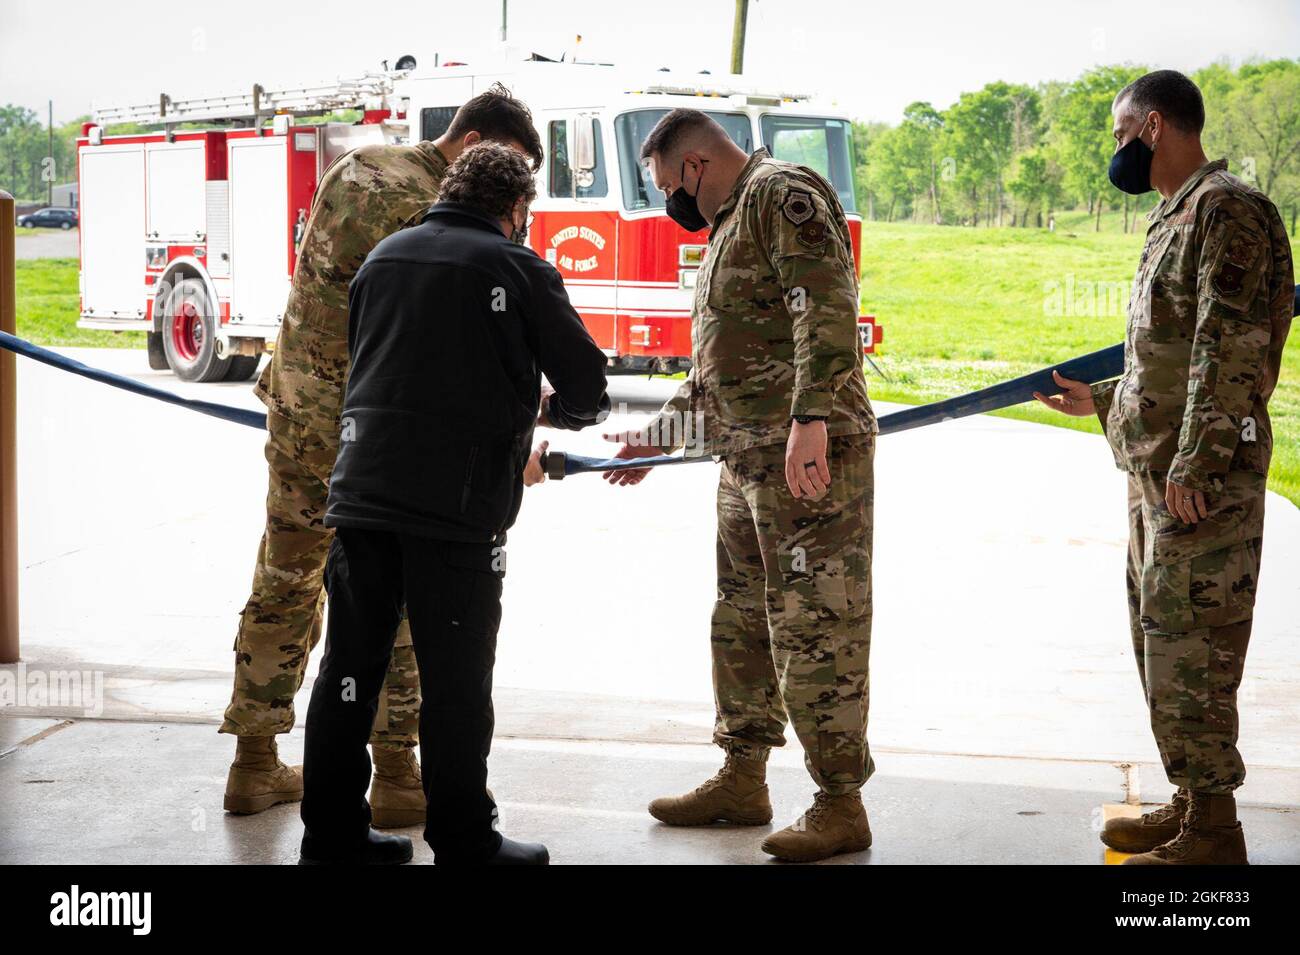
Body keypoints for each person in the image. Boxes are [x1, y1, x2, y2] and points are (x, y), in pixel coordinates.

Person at [220, 84, 545, 829]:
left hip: (303, 413)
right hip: (384, 433)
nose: (516, 200)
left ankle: (253, 760)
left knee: (287, 573)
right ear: (477, 147)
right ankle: (398, 775)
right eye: (513, 172)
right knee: (398, 592)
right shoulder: (442, 214)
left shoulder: (356, 167)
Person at [298, 142, 610, 865]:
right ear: (516, 208)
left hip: (362, 499)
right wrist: (542, 414)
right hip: (457, 514)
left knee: (348, 670)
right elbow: (589, 387)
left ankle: (332, 836)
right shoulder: (516, 267)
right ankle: (465, 839)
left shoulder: (384, 258)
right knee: (456, 683)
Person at [604, 109, 878, 863]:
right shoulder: (730, 221)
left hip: (805, 457)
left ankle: (839, 801)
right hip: (747, 457)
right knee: (741, 621)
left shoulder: (778, 194)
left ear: (693, 165)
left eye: (666, 183)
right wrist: (652, 440)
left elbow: (824, 304)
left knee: (816, 623)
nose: (669, 200)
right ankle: (742, 774)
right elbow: (721, 367)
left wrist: (811, 418)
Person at [1036, 70, 1293, 865]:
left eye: (1120, 136)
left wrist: (1198, 461)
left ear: (1152, 127)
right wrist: (1105, 397)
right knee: (1164, 645)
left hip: (1197, 482)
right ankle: (1190, 801)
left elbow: (1234, 347)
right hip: (1161, 476)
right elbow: (1172, 355)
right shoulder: (1174, 216)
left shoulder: (1228, 212)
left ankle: (1214, 829)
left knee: (1196, 651)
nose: (1116, 152)